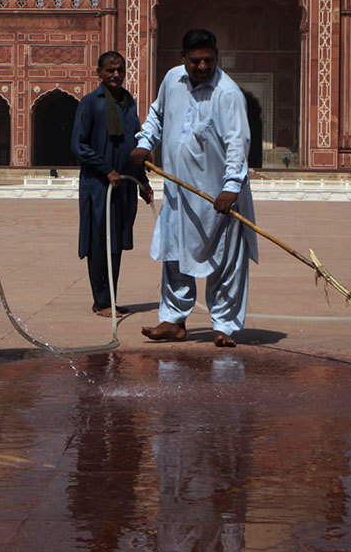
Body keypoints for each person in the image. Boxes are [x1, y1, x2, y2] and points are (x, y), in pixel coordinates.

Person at [130, 29, 258, 348]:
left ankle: (224, 326)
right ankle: (174, 320)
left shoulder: (227, 93)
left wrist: (231, 187)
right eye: (196, 61)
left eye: (209, 60)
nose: (202, 67)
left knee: (226, 262)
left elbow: (237, 144)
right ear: (182, 58)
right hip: (178, 189)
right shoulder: (173, 79)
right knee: (174, 256)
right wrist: (145, 144)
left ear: (217, 56)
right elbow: (157, 116)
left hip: (217, 196)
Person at [71, 51, 153, 318]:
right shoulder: (90, 103)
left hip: (124, 186)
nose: (116, 74)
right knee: (99, 242)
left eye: (120, 69)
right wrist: (106, 170)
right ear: (99, 73)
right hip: (98, 186)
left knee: (115, 243)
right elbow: (78, 145)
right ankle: (101, 301)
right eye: (109, 70)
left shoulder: (129, 104)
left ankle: (111, 298)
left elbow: (133, 145)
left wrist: (142, 181)